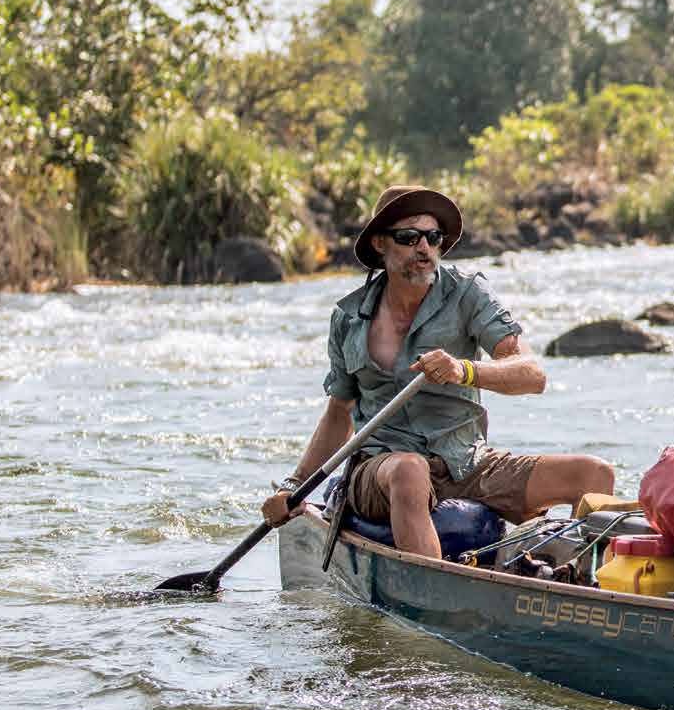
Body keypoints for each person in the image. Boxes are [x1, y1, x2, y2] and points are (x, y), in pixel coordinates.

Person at [261, 185, 615, 558]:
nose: (425, 249)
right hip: (382, 467)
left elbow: (531, 374)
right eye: (409, 238)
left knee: (594, 474)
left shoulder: (468, 293)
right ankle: (436, 594)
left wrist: (465, 370)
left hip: (466, 461)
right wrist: (295, 485)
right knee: (409, 471)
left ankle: (580, 586)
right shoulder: (348, 319)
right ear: (381, 244)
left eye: (433, 238)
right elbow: (339, 414)